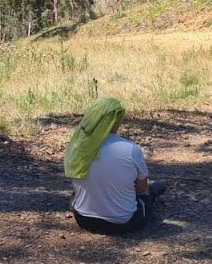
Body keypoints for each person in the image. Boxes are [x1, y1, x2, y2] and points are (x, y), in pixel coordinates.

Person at [64, 97, 166, 235]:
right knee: (146, 196)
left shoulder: (76, 147)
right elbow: (140, 189)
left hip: (83, 219)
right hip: (124, 223)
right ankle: (153, 193)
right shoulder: (130, 149)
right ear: (116, 120)